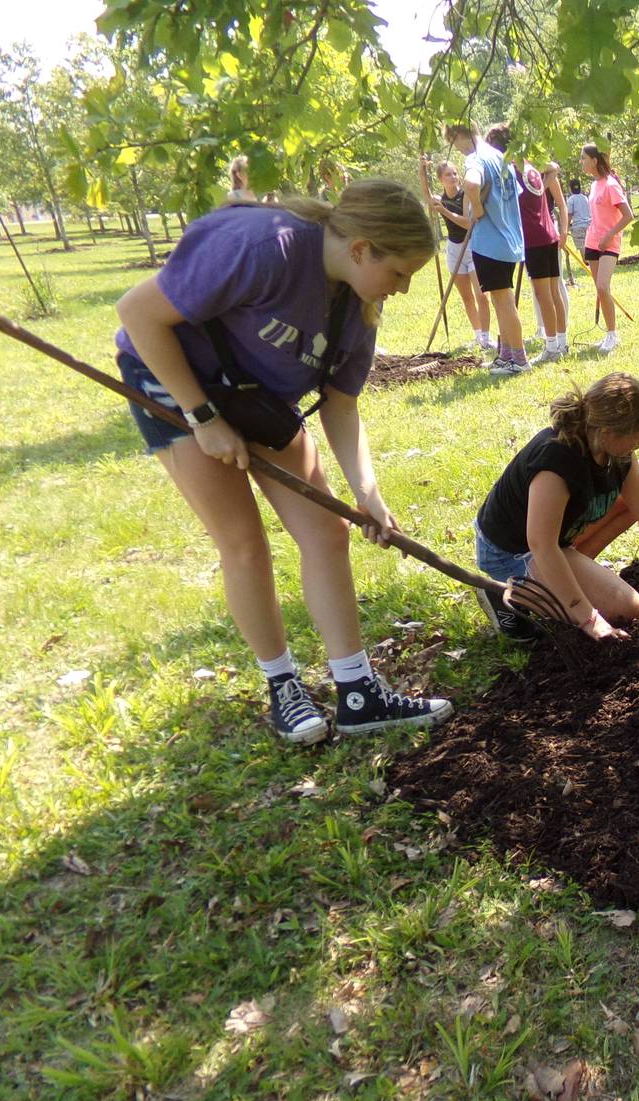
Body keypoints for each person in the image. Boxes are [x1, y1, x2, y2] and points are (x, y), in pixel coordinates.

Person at [113, 181, 454, 743]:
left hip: (257, 397)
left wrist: (367, 489)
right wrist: (203, 418)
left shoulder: (359, 309)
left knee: (327, 531)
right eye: (400, 273)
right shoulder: (264, 248)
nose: (405, 288)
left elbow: (341, 408)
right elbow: (139, 313)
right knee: (244, 541)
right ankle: (283, 686)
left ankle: (358, 692)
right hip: (171, 379)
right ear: (362, 248)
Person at [472, 373, 639, 641]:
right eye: (638, 436)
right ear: (608, 431)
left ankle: (567, 578)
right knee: (627, 608)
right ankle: (508, 592)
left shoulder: (615, 451)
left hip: (555, 541)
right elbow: (541, 545)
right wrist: (589, 618)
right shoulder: (556, 461)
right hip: (513, 553)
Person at [443, 121, 530, 375]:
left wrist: (478, 210)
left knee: (503, 301)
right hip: (510, 239)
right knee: (500, 299)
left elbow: (471, 185)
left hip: (491, 241)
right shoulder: (500, 157)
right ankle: (505, 356)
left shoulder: (475, 159)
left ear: (459, 136)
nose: (456, 149)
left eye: (454, 143)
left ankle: (519, 360)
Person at [420, 157, 493, 351]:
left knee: (482, 295)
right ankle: (478, 335)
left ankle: (487, 337)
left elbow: (469, 223)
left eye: (455, 173)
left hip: (472, 245)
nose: (453, 177)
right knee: (467, 297)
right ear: (441, 179)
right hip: (453, 249)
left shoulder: (465, 195)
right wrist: (422, 169)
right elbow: (426, 193)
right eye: (448, 175)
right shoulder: (439, 199)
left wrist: (444, 211)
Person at [580, 144, 635, 355]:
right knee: (600, 290)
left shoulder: (611, 185)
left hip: (609, 244)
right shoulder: (594, 185)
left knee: (603, 286)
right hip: (592, 242)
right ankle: (607, 334)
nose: (581, 162)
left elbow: (628, 215)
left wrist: (609, 235)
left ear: (594, 160)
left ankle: (613, 334)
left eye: (584, 158)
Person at [517, 153, 570, 362]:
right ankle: (556, 341)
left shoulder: (529, 171)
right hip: (543, 235)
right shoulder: (532, 174)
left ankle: (555, 345)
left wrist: (564, 231)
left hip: (542, 236)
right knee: (549, 292)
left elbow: (555, 168)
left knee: (548, 293)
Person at [565, 179, 591, 284]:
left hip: (578, 225)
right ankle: (590, 261)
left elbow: (569, 214)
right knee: (588, 243)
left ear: (570, 188)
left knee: (581, 245)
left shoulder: (571, 199)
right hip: (589, 223)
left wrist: (566, 227)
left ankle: (587, 263)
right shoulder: (585, 198)